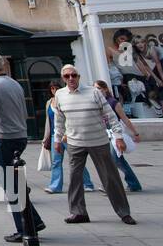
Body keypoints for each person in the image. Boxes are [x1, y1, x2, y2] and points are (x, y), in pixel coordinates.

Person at [0, 52, 45, 242]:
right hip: (20, 136)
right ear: (3, 65)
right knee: (15, 183)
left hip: (5, 138)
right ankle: (34, 221)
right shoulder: (15, 83)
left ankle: (24, 228)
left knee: (10, 185)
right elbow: (23, 110)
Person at [51, 65, 136, 225]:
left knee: (110, 177)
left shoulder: (94, 92)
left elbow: (110, 116)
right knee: (75, 178)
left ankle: (124, 212)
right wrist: (57, 139)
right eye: (67, 76)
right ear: (63, 78)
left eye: (74, 75)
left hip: (98, 141)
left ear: (79, 76)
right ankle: (78, 212)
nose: (71, 78)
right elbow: (59, 120)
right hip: (75, 142)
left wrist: (118, 137)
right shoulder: (60, 95)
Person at [43, 80, 94, 194]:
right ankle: (55, 186)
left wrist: (68, 133)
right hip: (54, 136)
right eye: (52, 88)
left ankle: (87, 183)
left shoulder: (65, 100)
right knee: (56, 161)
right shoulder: (49, 102)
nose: (54, 90)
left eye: (56, 88)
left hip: (68, 135)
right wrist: (46, 137)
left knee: (76, 160)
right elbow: (48, 121)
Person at [95, 79, 143, 193]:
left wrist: (135, 133)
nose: (97, 91)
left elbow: (124, 118)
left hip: (115, 134)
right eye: (95, 89)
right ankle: (133, 184)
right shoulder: (97, 103)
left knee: (114, 160)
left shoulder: (113, 102)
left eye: (99, 88)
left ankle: (111, 185)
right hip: (104, 134)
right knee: (116, 161)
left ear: (105, 89)